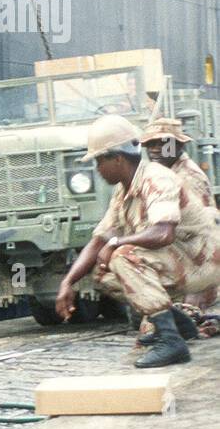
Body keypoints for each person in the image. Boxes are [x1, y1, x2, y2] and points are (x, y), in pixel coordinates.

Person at [55, 115, 220, 367]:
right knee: (103, 273)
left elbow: (163, 232)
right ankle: (175, 322)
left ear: (118, 159)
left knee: (124, 257)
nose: (97, 170)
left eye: (100, 160)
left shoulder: (156, 178)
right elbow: (99, 240)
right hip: (182, 259)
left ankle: (171, 342)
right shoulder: (124, 189)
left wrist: (116, 243)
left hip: (204, 261)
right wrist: (68, 282)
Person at [141, 116, 217, 310]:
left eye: (163, 143)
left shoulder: (187, 177)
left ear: (178, 146)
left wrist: (197, 290)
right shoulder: (163, 173)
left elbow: (201, 233)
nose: (155, 149)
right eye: (150, 144)